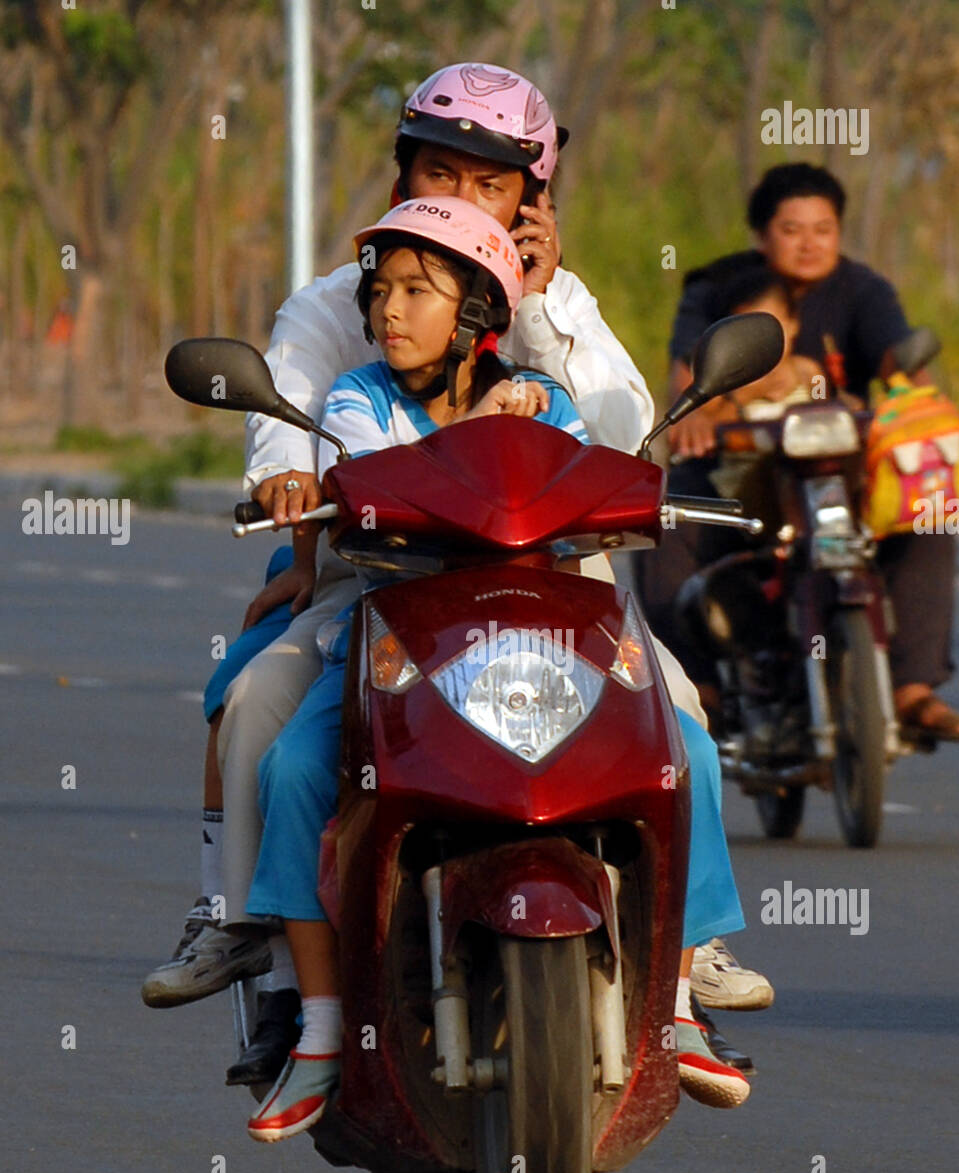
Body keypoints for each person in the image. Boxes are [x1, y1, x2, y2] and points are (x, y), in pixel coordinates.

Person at [141, 63, 769, 1093]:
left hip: (555, 579)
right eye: (441, 172)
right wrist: (291, 491)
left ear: (531, 203)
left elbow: (622, 434)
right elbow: (287, 422)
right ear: (400, 177)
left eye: (493, 187)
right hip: (381, 580)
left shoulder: (557, 308)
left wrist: (540, 305)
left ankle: (687, 966)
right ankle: (247, 931)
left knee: (683, 717)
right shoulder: (343, 306)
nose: (466, 203)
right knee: (256, 702)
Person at [245, 198, 750, 1139]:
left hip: (544, 624)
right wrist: (472, 423)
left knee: (686, 751)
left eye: (418, 291)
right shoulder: (357, 398)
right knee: (296, 767)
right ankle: (316, 1031)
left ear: (478, 309)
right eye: (381, 291)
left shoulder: (542, 398)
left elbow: (589, 465)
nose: (390, 310)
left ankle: (677, 1002)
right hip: (401, 623)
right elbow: (370, 471)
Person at [640, 161, 959, 742]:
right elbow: (688, 374)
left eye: (823, 229)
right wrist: (699, 410)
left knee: (927, 516)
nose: (809, 243)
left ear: (840, 233)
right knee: (668, 511)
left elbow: (895, 362)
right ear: (761, 235)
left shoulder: (864, 290)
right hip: (738, 464)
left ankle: (913, 688)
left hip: (842, 467)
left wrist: (910, 394)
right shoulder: (717, 285)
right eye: (792, 228)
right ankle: (694, 687)